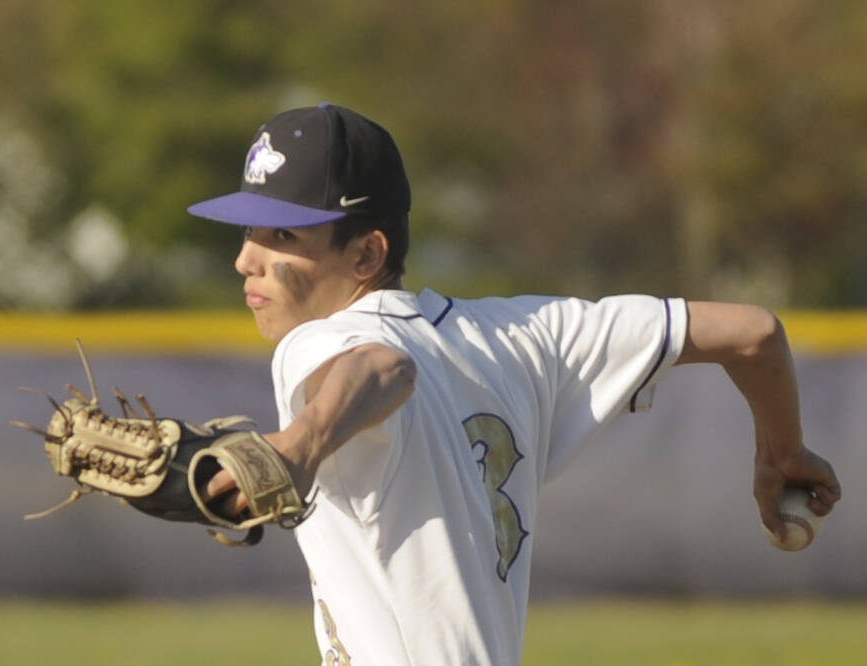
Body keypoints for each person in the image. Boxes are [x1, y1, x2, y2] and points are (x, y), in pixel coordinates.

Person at [186, 103, 841, 666]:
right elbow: (752, 332)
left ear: (366, 255)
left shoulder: (322, 340)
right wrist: (781, 452)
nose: (246, 257)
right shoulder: (526, 334)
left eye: (283, 235)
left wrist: (300, 443)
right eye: (249, 230)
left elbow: (385, 368)